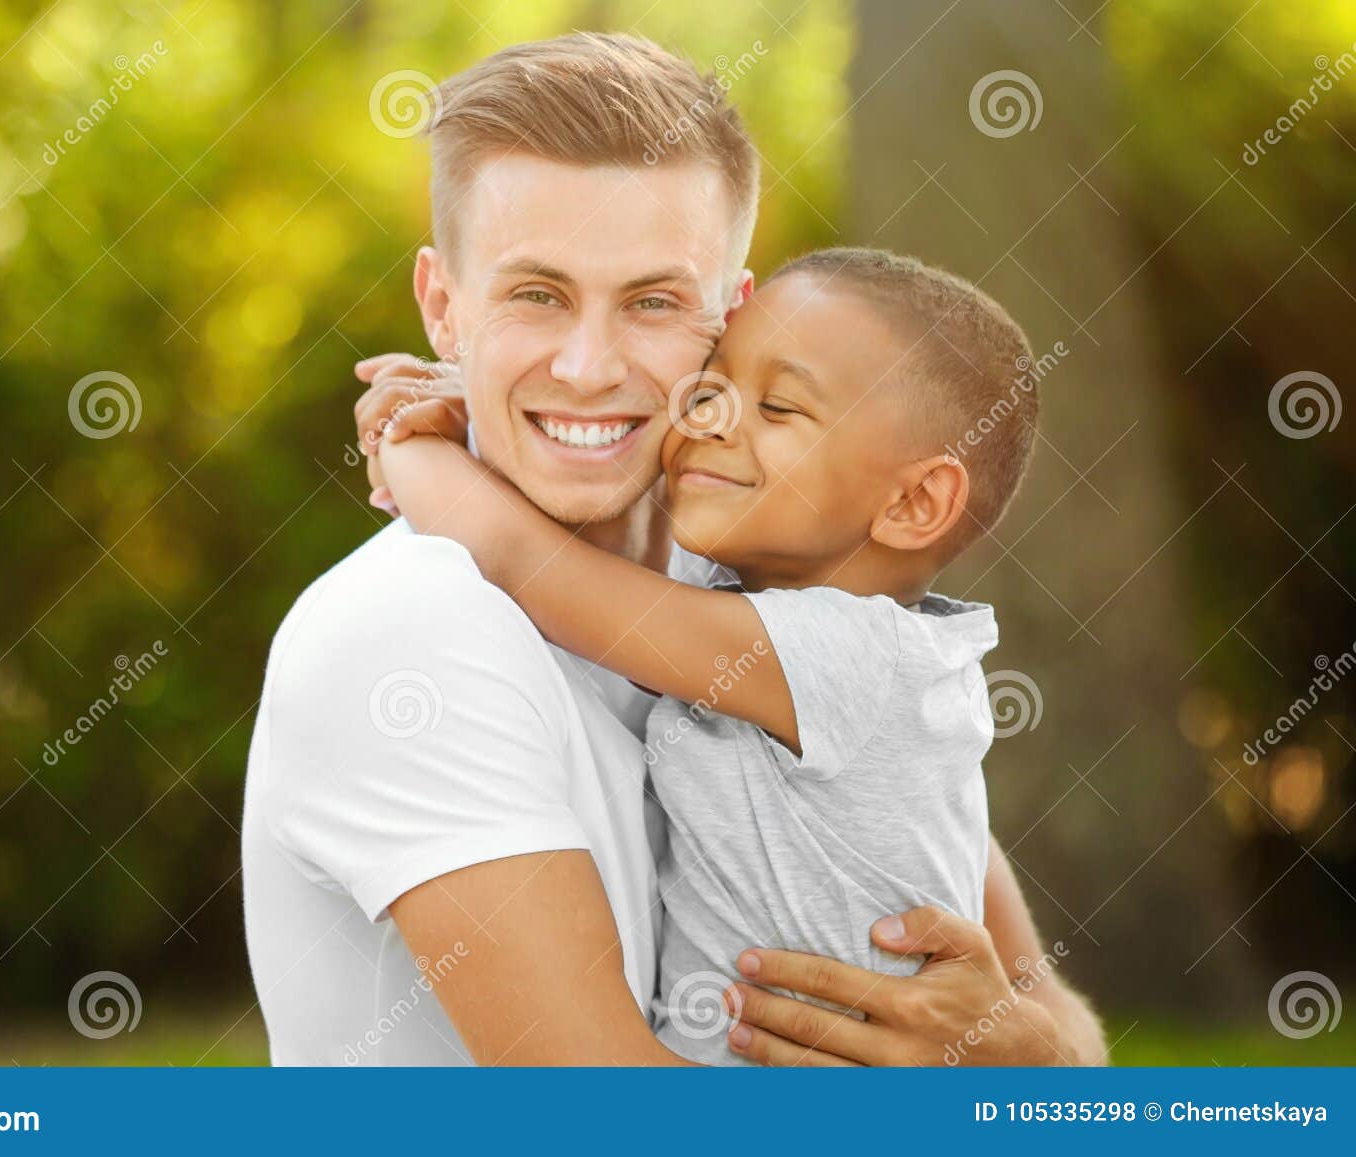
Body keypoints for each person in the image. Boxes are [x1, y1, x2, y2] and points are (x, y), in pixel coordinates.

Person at [242, 31, 1105, 1066]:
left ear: (727, 320)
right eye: (534, 294)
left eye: (652, 301)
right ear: (442, 307)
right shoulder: (413, 632)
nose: (587, 365)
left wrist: (1024, 1060)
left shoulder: (759, 602)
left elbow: (1042, 1009)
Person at [373, 247, 1030, 1064]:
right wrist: (495, 414)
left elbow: (523, 561)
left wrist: (408, 451)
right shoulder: (770, 598)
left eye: (780, 408)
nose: (705, 418)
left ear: (912, 501)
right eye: (713, 385)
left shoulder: (845, 653)